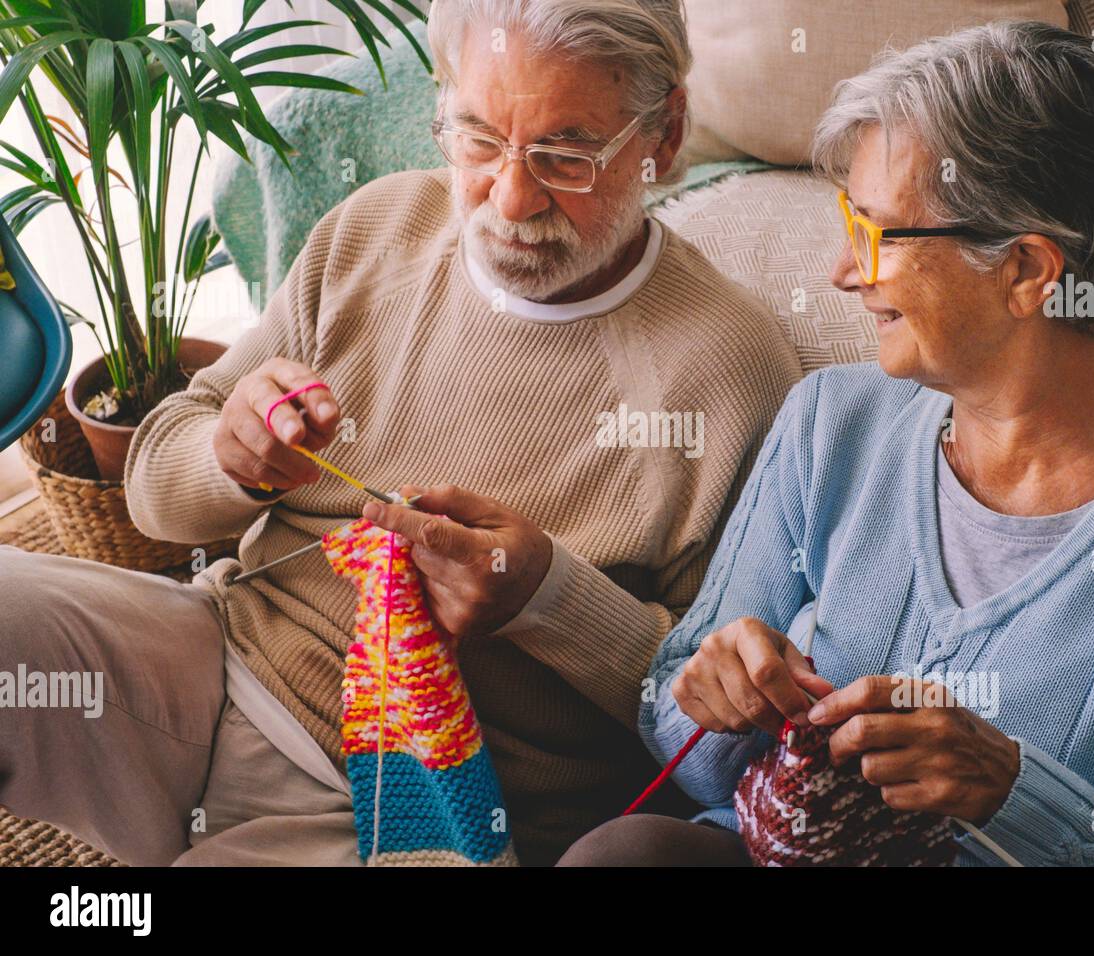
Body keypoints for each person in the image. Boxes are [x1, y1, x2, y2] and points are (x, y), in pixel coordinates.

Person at [0, 0, 800, 866]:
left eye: (567, 154)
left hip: (429, 800)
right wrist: (232, 460)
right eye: (480, 140)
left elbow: (723, 732)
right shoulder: (379, 225)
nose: (513, 196)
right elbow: (156, 491)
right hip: (214, 661)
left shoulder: (736, 375)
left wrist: (548, 600)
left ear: (664, 133)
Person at [561, 20, 1094, 866]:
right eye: (849, 219)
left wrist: (1012, 792)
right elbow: (681, 742)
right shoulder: (829, 424)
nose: (844, 269)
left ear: (1026, 270)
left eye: (877, 233)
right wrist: (708, 692)